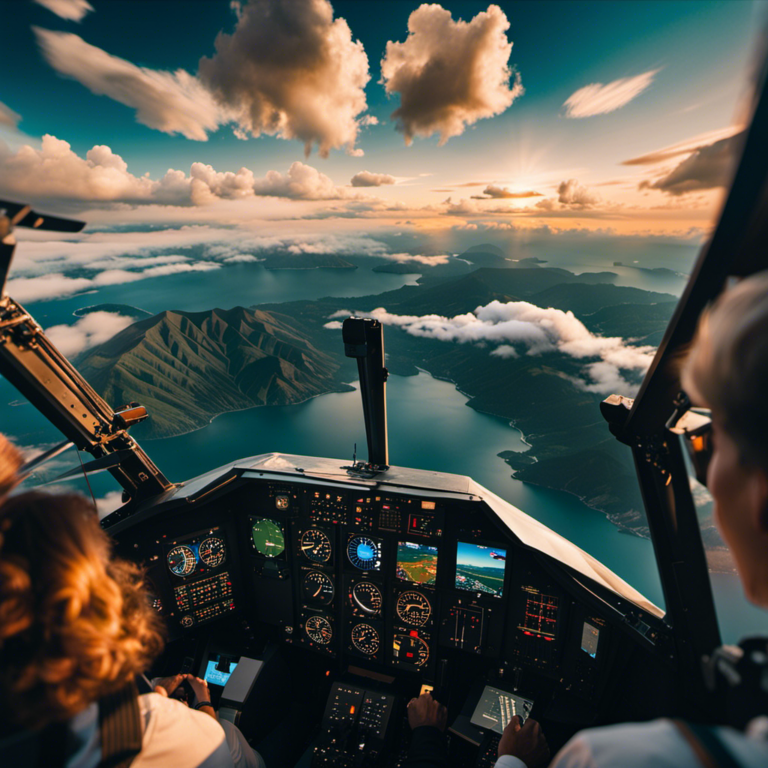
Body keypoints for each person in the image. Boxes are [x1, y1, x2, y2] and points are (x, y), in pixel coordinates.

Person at [495, 271, 768, 767]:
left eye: (707, 443)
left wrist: (513, 761)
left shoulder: (619, 759)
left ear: (761, 494)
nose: (705, 473)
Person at [0, 488, 265, 768]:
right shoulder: (159, 730)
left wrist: (156, 693)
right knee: (231, 734)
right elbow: (214, 742)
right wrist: (202, 702)